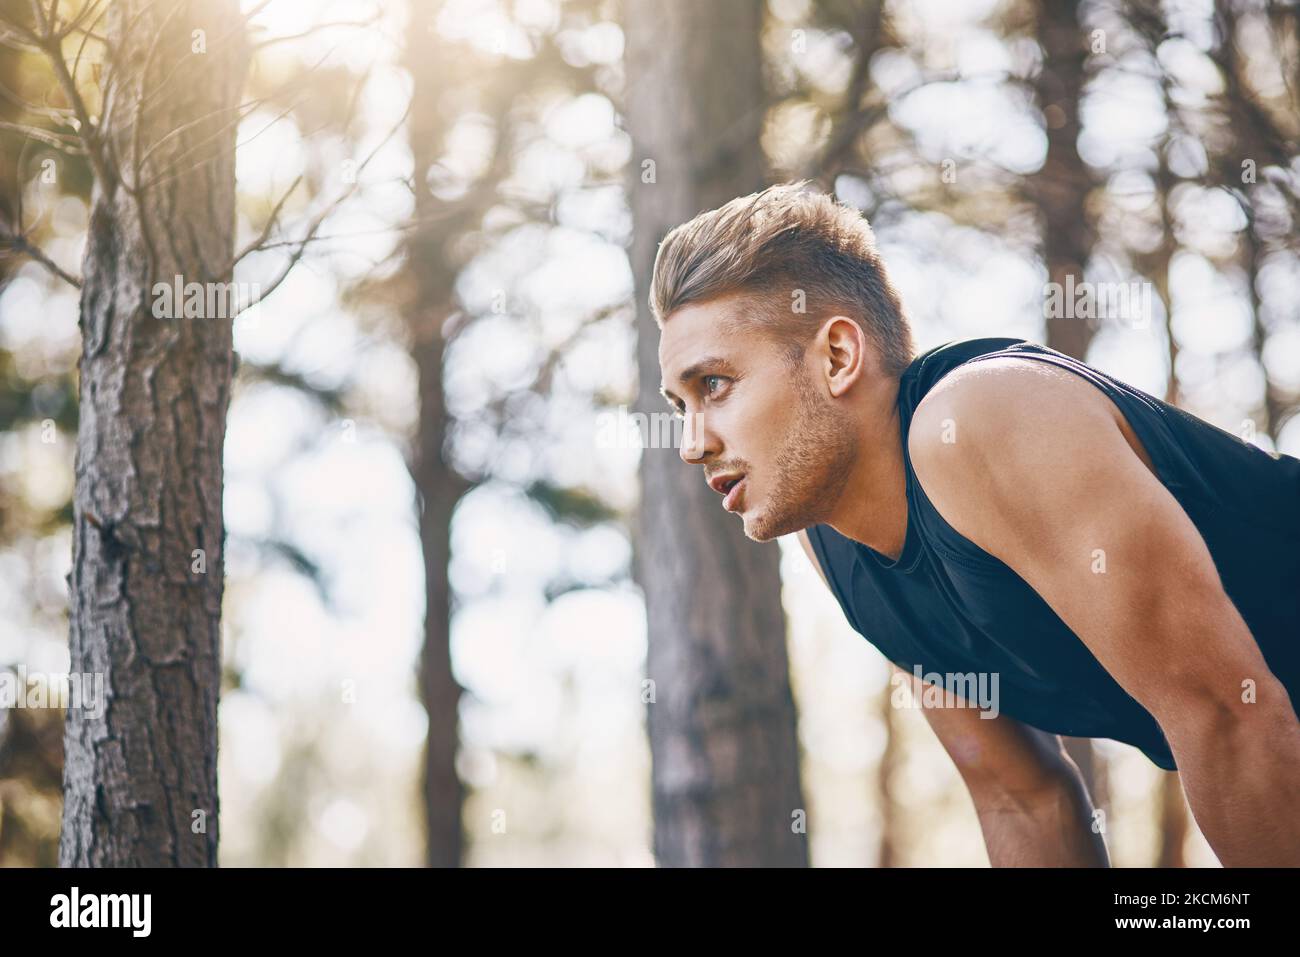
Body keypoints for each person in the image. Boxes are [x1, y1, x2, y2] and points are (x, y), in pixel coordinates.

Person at [651, 181, 1300, 866]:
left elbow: (1233, 719)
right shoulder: (833, 540)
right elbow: (1021, 797)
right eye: (678, 406)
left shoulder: (982, 418)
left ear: (838, 356)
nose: (693, 442)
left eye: (714, 385)